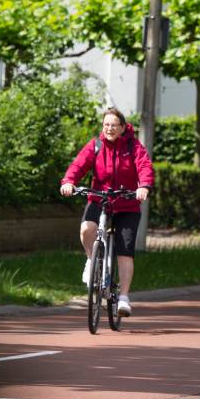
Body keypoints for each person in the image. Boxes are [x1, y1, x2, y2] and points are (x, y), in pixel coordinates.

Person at [59, 107, 153, 317]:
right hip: (99, 199)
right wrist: (68, 182)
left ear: (122, 127)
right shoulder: (96, 145)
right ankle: (92, 260)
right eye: (106, 125)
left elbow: (145, 166)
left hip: (127, 203)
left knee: (125, 251)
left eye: (114, 125)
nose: (109, 128)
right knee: (86, 230)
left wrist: (144, 186)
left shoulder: (133, 146)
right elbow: (78, 165)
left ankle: (124, 298)